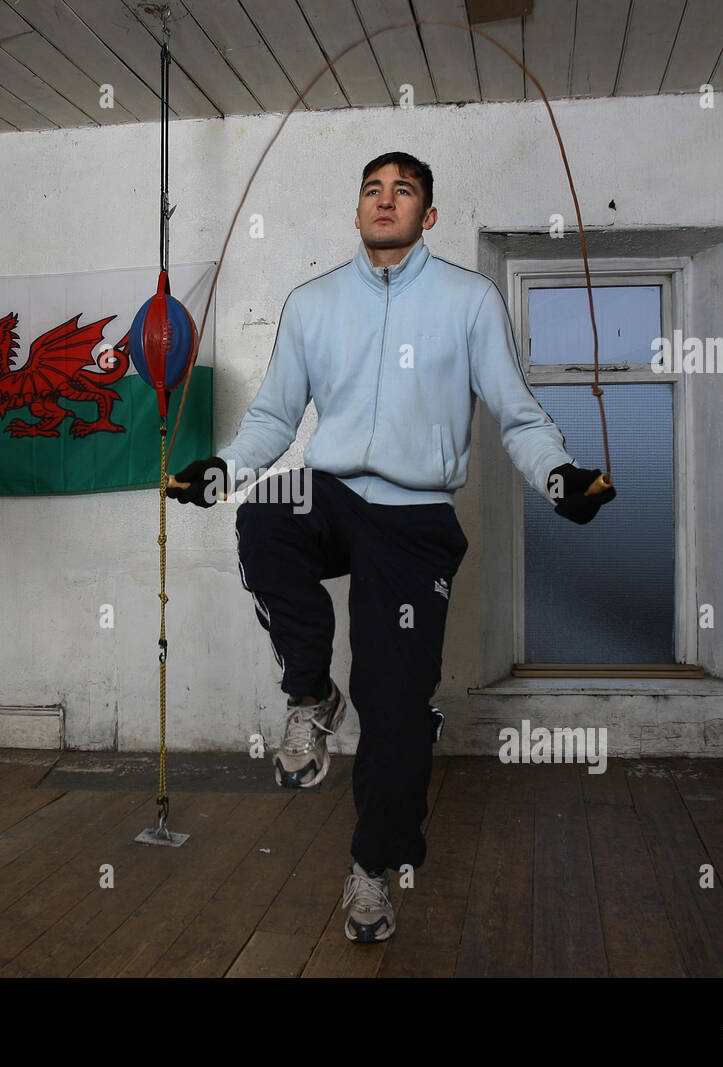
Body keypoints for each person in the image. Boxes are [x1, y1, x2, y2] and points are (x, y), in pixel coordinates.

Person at [167, 151, 615, 943]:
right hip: (334, 493)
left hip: (413, 521)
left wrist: (559, 480)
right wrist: (220, 472)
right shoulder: (312, 303)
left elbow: (517, 413)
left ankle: (373, 868)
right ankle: (310, 695)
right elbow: (274, 418)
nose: (385, 199)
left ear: (428, 215)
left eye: (403, 190)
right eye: (372, 188)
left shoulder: (469, 301)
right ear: (357, 209)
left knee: (398, 712)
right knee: (267, 512)